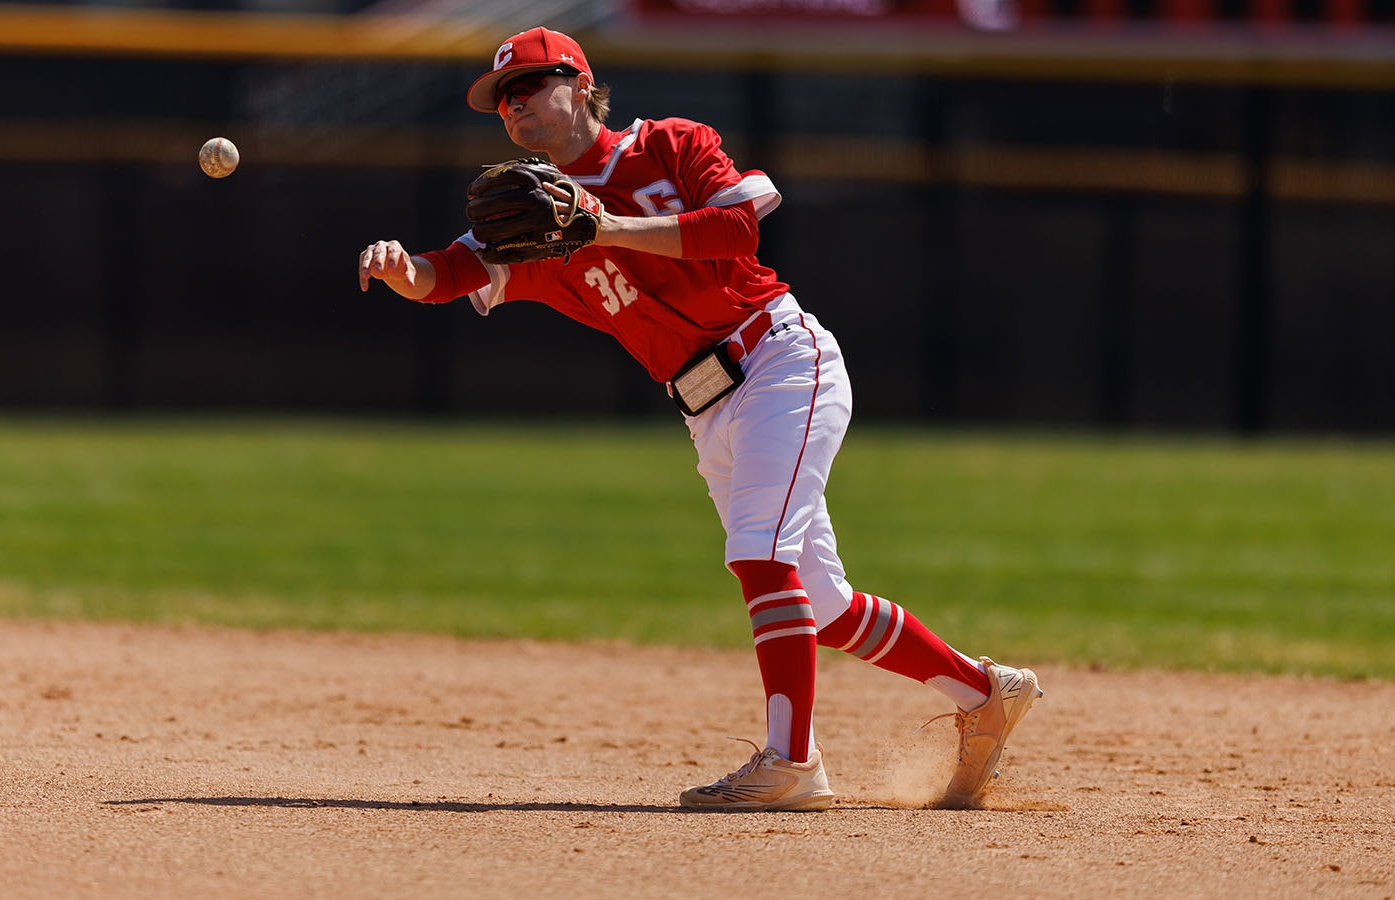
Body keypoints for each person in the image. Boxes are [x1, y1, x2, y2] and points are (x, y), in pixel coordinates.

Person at [357, 26, 1042, 811]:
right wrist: (398, 267)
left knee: (758, 551)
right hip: (705, 409)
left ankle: (793, 764)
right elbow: (442, 275)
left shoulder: (668, 146)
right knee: (820, 603)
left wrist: (602, 226)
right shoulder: (526, 219)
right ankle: (985, 691)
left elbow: (736, 229)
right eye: (502, 99)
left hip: (781, 360)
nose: (514, 107)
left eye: (531, 86)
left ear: (581, 84)